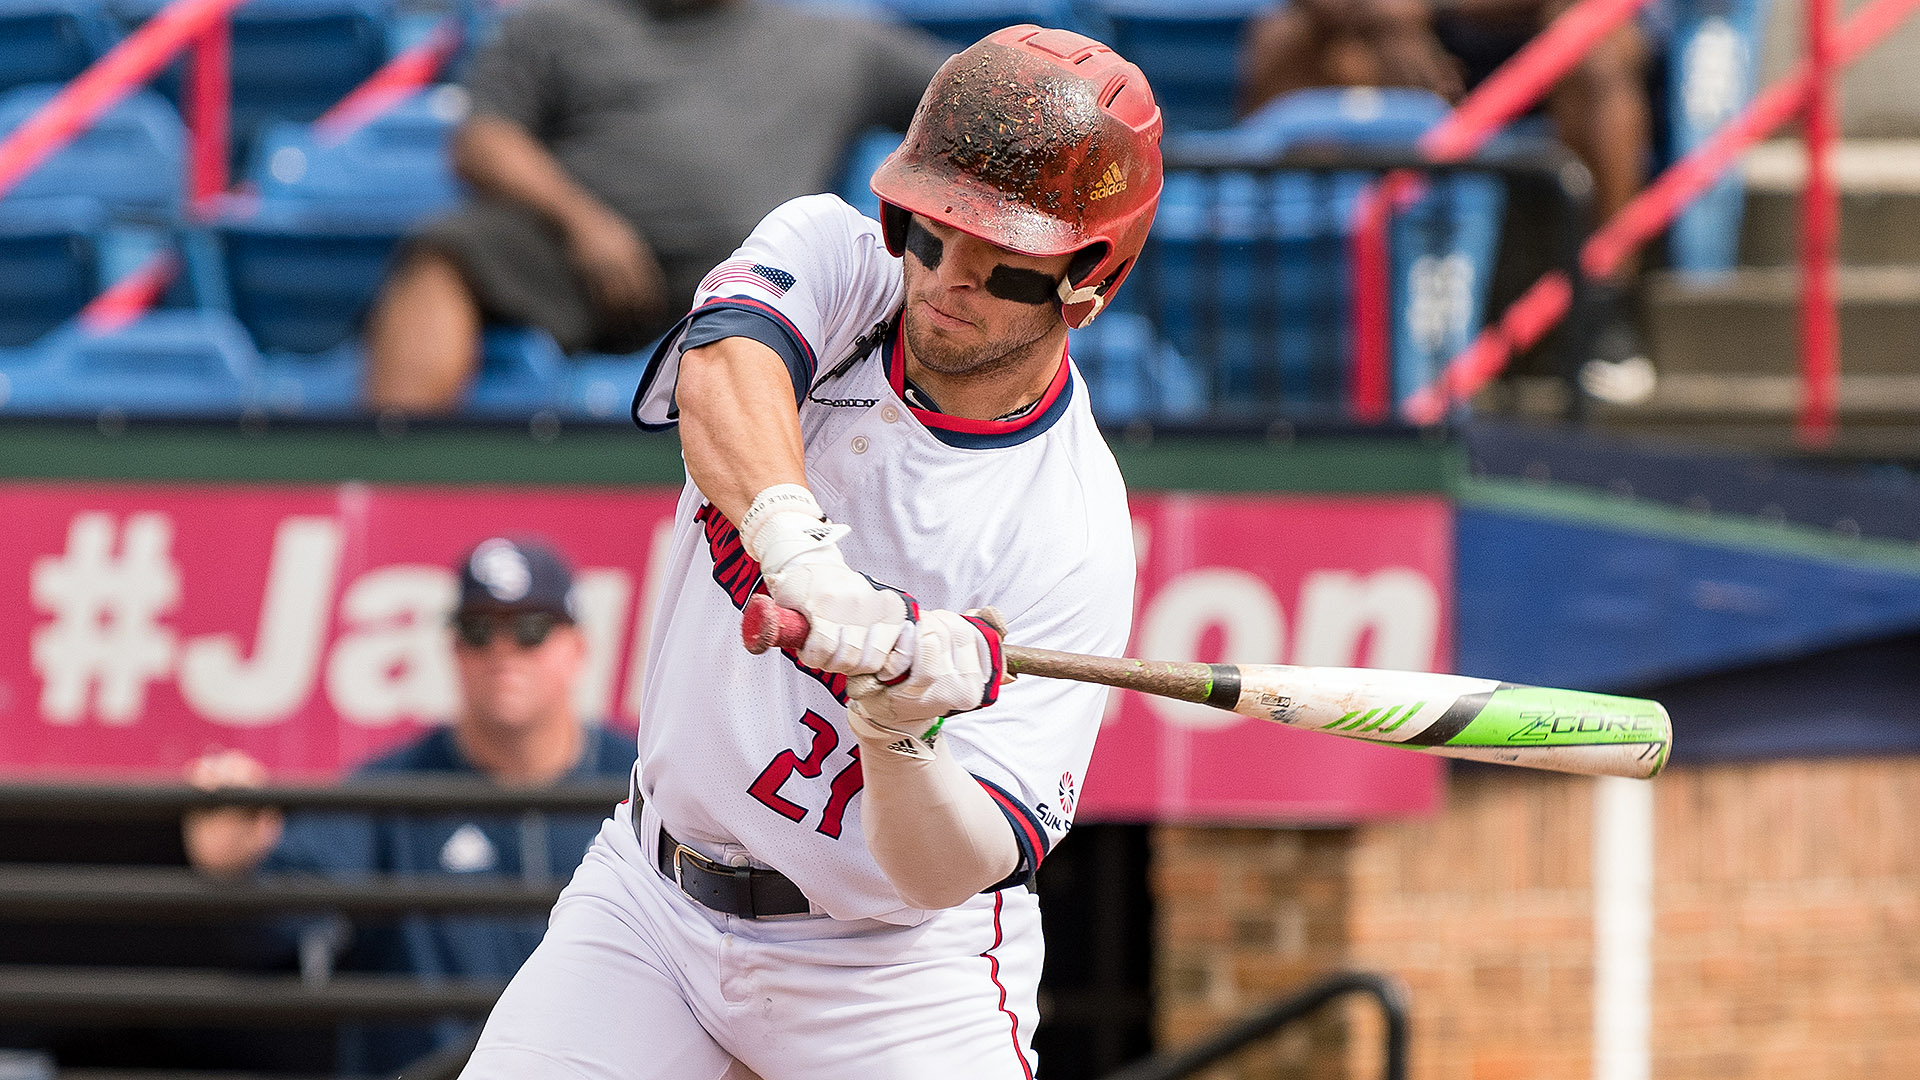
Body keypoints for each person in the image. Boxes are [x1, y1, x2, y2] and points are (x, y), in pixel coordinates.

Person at [457, 25, 1158, 1080]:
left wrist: (900, 731)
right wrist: (809, 564)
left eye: (1000, 260)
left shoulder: (1071, 525)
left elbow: (940, 873)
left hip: (889, 975)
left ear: (1086, 281)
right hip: (654, 905)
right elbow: (723, 375)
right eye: (930, 232)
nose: (947, 278)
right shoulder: (837, 260)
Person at [183, 537, 637, 1076]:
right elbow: (276, 927)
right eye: (478, 630)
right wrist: (236, 866)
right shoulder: (392, 789)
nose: (501, 651)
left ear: (577, 649)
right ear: (453, 648)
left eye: (529, 631)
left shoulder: (642, 776)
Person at [362, 0, 950, 414]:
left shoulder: (843, 43)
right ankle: (389, 472)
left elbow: (972, 99)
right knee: (446, 251)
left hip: (761, 276)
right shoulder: (554, 23)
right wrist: (583, 223)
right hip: (581, 261)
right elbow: (482, 142)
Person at [1240, 0, 1657, 400]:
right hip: (1395, 32)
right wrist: (1382, 16)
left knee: (1598, 50)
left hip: (1520, 27)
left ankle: (1607, 305)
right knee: (1289, 42)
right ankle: (1298, 323)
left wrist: (1423, 9)